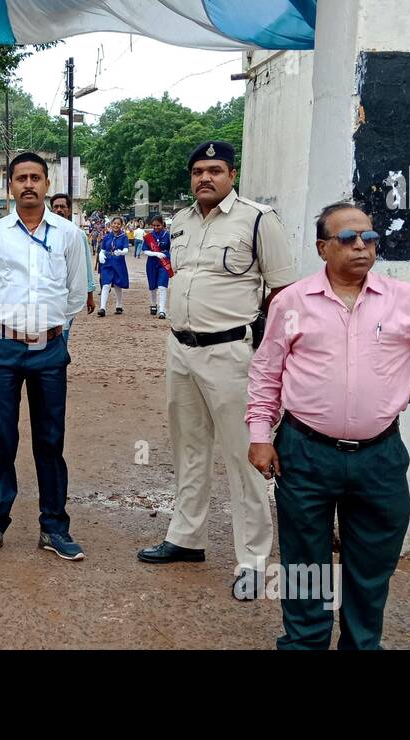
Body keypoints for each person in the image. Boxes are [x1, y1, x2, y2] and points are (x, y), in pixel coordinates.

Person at [247, 201, 410, 649]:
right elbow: (266, 370)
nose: (360, 247)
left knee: (371, 564)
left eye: (368, 238)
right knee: (304, 564)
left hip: (379, 456)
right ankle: (305, 642)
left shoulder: (402, 299)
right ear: (322, 248)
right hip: (305, 450)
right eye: (347, 239)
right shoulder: (291, 302)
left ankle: (361, 643)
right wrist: (259, 435)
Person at [136, 140, 296, 601]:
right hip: (180, 349)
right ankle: (186, 538)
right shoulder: (180, 223)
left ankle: (252, 561)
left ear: (232, 174)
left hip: (230, 353)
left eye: (215, 170)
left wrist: (268, 354)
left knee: (244, 456)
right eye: (198, 171)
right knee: (188, 447)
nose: (205, 178)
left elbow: (283, 292)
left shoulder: (259, 219)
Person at [0, 152, 91, 561]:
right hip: (3, 349)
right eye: (21, 178)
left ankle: (54, 526)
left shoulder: (70, 235)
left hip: (49, 349)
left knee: (50, 439)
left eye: (36, 177)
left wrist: (50, 328)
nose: (29, 184)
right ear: (11, 186)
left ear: (47, 184)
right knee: (2, 437)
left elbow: (75, 294)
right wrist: (2, 328)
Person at [50, 192, 96, 318]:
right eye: (55, 207)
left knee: (62, 330)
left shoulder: (77, 234)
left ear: (68, 210)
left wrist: (89, 295)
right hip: (49, 293)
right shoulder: (43, 234)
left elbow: (85, 264)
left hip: (68, 293)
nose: (59, 210)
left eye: (62, 207)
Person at [140, 214, 173, 319]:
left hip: (164, 263)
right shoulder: (149, 236)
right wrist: (155, 254)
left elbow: (172, 248)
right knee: (153, 286)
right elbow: (145, 250)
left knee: (162, 286)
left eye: (158, 225)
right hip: (152, 263)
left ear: (162, 224)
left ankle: (162, 309)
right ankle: (153, 304)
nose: (156, 227)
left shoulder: (168, 235)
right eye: (154, 225)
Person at [97, 216, 130, 316]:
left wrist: (121, 252)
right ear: (111, 224)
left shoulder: (124, 237)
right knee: (106, 284)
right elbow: (102, 249)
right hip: (107, 263)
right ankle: (102, 308)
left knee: (117, 284)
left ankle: (119, 305)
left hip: (118, 262)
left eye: (118, 224)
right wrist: (101, 255)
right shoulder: (107, 236)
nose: (116, 225)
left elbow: (126, 250)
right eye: (114, 223)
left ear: (121, 225)